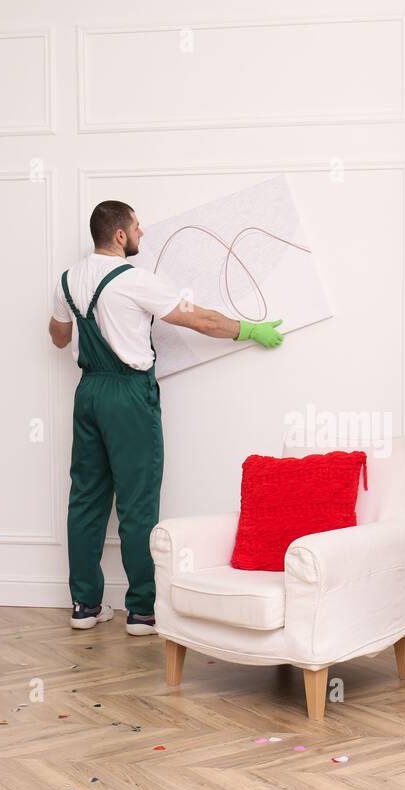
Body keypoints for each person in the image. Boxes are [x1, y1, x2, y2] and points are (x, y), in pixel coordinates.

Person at [49, 200, 285, 632]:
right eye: (137, 227)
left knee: (85, 498)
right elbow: (200, 320)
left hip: (89, 393)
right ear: (120, 235)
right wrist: (248, 330)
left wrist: (83, 317)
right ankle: (140, 610)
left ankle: (84, 605)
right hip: (128, 396)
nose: (142, 233)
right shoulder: (135, 280)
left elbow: (59, 337)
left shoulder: (67, 279)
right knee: (137, 502)